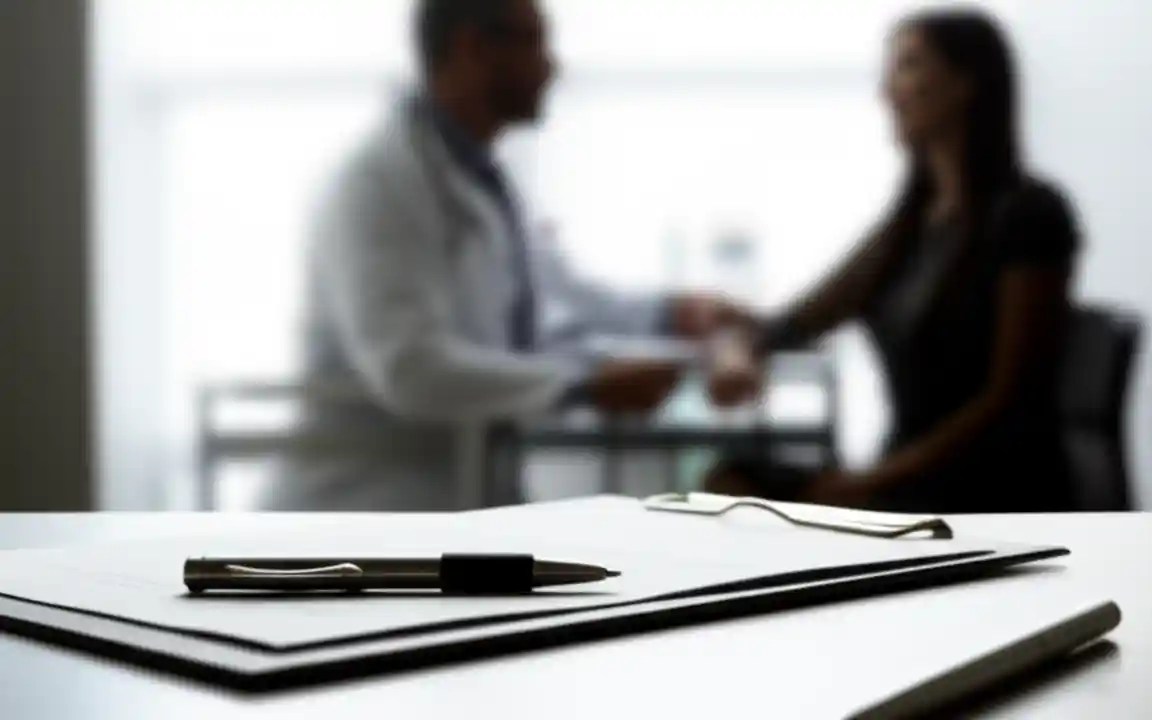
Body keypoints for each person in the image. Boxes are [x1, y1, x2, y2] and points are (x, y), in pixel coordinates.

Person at [261, 0, 740, 511]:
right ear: (471, 48)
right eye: (532, 42)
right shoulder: (378, 183)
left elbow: (560, 296)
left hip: (455, 497)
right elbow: (410, 367)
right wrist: (580, 384)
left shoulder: (478, 176)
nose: (552, 66)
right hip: (364, 508)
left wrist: (674, 314)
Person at [706, 9, 1083, 513]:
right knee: (730, 480)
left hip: (983, 488)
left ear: (966, 82)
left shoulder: (1030, 214)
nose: (890, 91)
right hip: (902, 478)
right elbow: (794, 323)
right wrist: (739, 353)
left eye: (909, 65)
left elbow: (1007, 400)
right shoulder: (908, 228)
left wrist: (869, 481)